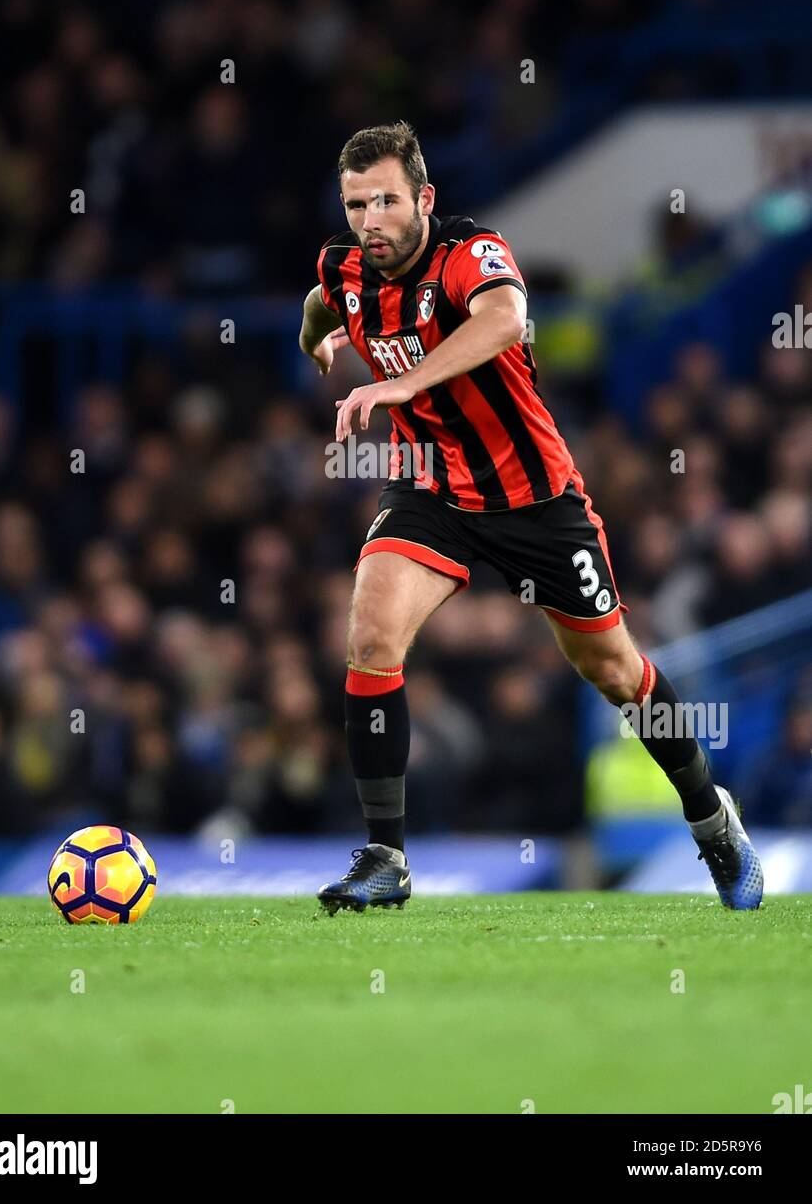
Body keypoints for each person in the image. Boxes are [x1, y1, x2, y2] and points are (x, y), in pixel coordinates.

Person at [298, 121, 763, 915]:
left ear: (424, 198)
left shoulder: (469, 253)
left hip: (536, 499)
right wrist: (322, 336)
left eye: (385, 201)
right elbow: (321, 303)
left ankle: (713, 821)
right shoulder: (343, 268)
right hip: (431, 488)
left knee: (613, 671)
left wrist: (403, 386)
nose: (369, 220)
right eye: (355, 204)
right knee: (371, 634)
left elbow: (506, 320)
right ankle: (386, 855)